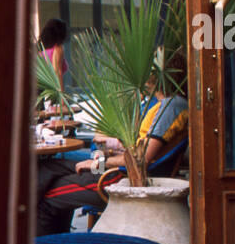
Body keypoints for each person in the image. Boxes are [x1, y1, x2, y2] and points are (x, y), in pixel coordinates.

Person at [36, 84, 188, 235]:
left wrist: (100, 162)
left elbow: (142, 158)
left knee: (48, 195)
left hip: (122, 177)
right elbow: (136, 149)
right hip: (114, 167)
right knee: (47, 167)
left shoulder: (172, 105)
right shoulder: (162, 105)